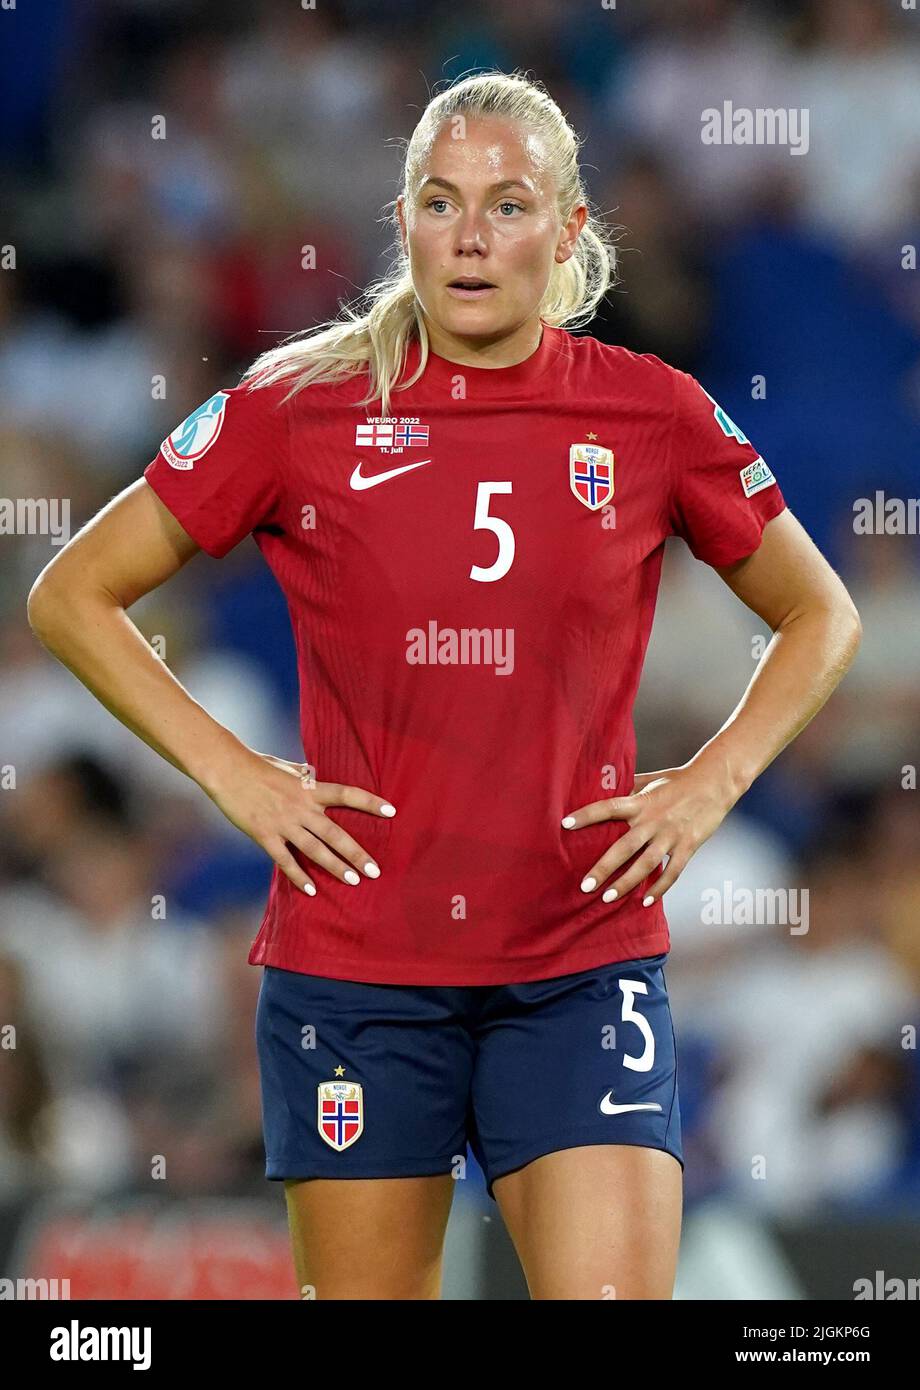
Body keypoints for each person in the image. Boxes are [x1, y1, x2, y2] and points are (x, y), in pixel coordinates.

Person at [26, 70, 862, 1300]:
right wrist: (238, 778)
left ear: (569, 231)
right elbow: (70, 594)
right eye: (438, 199)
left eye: (509, 203)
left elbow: (819, 612)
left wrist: (707, 784)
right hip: (357, 973)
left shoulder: (650, 413)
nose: (469, 236)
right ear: (401, 217)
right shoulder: (295, 407)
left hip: (578, 958)